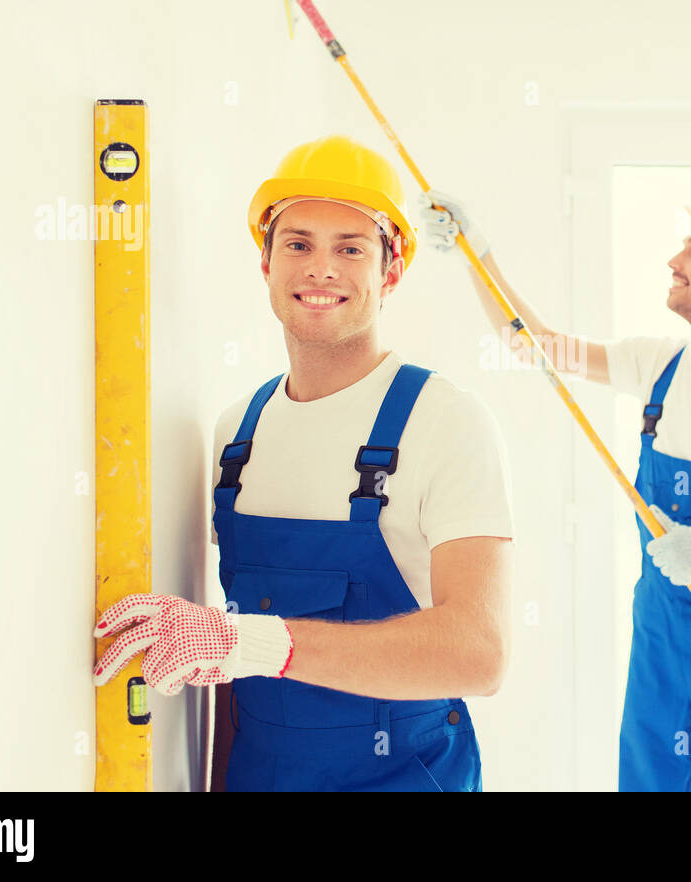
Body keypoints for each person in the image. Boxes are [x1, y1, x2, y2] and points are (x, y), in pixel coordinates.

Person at [92, 136, 515, 792]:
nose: (321, 269)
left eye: (351, 247)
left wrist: (248, 643)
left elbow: (479, 655)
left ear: (391, 272)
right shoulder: (237, 433)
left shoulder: (445, 420)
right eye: (298, 243)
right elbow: (228, 658)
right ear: (265, 264)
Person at [417, 190, 691, 791]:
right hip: (661, 625)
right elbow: (534, 345)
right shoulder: (658, 365)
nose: (674, 261)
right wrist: (477, 252)